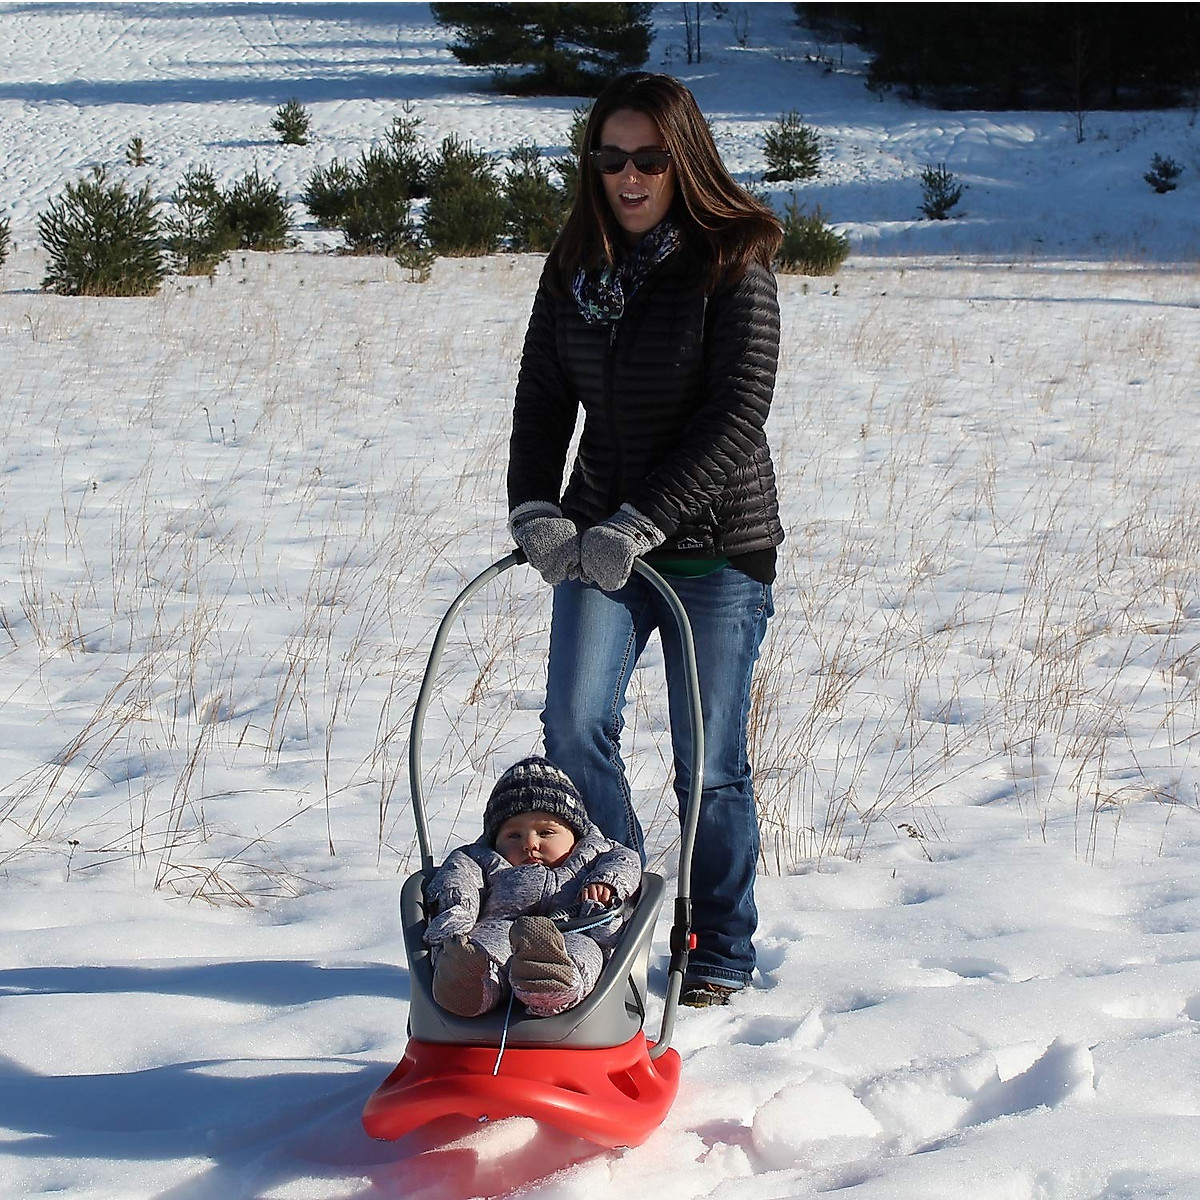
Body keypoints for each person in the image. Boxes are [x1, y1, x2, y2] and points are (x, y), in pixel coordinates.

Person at [506, 72, 784, 1009]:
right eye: (613, 158)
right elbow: (543, 393)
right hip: (599, 545)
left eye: (650, 160)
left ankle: (716, 945)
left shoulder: (733, 260)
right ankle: (618, 910)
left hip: (714, 548)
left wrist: (646, 517)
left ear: (684, 160)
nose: (630, 177)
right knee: (574, 728)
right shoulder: (576, 264)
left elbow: (735, 414)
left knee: (708, 763)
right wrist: (536, 507)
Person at [424, 756, 642, 1018]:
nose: (529, 844)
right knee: (482, 952)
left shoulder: (596, 853)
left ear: (575, 833)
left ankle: (550, 985)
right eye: (513, 835)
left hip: (573, 932)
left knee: (582, 955)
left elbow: (626, 860)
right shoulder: (481, 859)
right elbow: (458, 880)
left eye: (546, 833)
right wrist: (457, 924)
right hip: (501, 930)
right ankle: (468, 987)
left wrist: (606, 882)